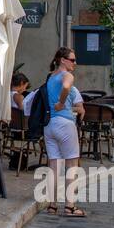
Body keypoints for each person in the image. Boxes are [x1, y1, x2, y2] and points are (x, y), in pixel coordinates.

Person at [26, 48, 85, 217]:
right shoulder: (67, 75)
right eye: (72, 60)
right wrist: (61, 102)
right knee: (72, 165)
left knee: (53, 166)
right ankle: (69, 205)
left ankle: (52, 205)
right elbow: (67, 86)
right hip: (65, 123)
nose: (75, 63)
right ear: (63, 60)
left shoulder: (50, 78)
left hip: (49, 124)